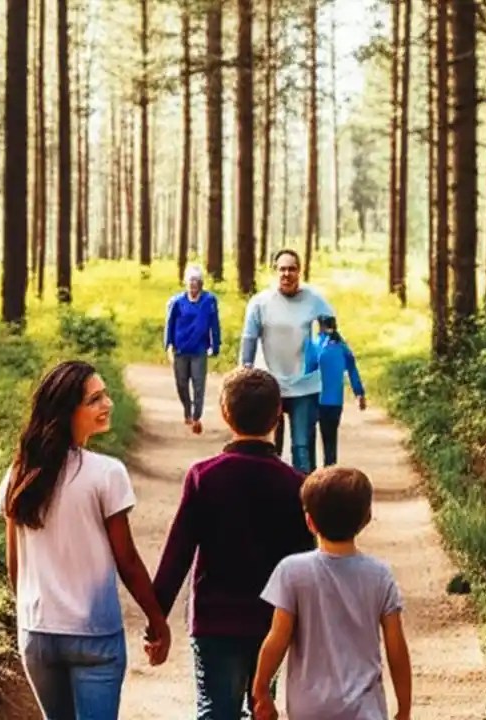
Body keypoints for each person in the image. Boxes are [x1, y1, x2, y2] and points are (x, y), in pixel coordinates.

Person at [0, 360, 172, 719]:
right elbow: (127, 560)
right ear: (66, 411)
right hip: (94, 634)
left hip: (37, 630)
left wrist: (33, 611)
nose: (107, 404)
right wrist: (157, 618)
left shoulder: (19, 473)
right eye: (94, 399)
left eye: (105, 395)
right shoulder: (106, 473)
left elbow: (15, 565)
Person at [152, 367, 314, 720]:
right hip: (270, 623)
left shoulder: (204, 476)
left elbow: (177, 552)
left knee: (216, 711)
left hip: (214, 621)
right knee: (261, 705)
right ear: (277, 415)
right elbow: (306, 560)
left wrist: (156, 618)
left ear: (225, 414)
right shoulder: (294, 484)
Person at [250, 467, 413, 720]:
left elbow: (277, 638)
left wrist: (261, 689)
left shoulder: (292, 571)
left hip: (309, 709)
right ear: (367, 517)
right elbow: (396, 649)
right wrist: (404, 708)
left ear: (309, 522)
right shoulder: (380, 575)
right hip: (364, 708)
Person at [240, 248, 335, 474]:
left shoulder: (314, 300)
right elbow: (249, 338)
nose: (286, 274)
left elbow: (330, 333)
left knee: (302, 448)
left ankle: (304, 501)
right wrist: (245, 373)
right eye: (282, 269)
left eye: (291, 269)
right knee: (268, 448)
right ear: (275, 271)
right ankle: (271, 499)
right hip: (269, 387)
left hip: (305, 386)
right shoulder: (260, 302)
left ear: (299, 272)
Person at [165, 264, 221, 435]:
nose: (193, 284)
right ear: (185, 283)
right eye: (190, 281)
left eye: (196, 281)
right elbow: (169, 324)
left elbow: (214, 324)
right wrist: (168, 344)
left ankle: (196, 417)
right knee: (181, 384)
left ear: (201, 283)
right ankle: (187, 409)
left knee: (198, 385)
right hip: (180, 349)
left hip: (199, 350)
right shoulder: (176, 302)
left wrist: (215, 344)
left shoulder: (209, 301)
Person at [306, 315, 367, 467]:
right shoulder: (342, 348)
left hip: (315, 399)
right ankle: (330, 473)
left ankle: (310, 474)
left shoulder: (315, 346)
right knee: (330, 440)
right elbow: (352, 371)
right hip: (334, 401)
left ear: (319, 326)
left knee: (309, 439)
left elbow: (306, 370)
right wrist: (359, 393)